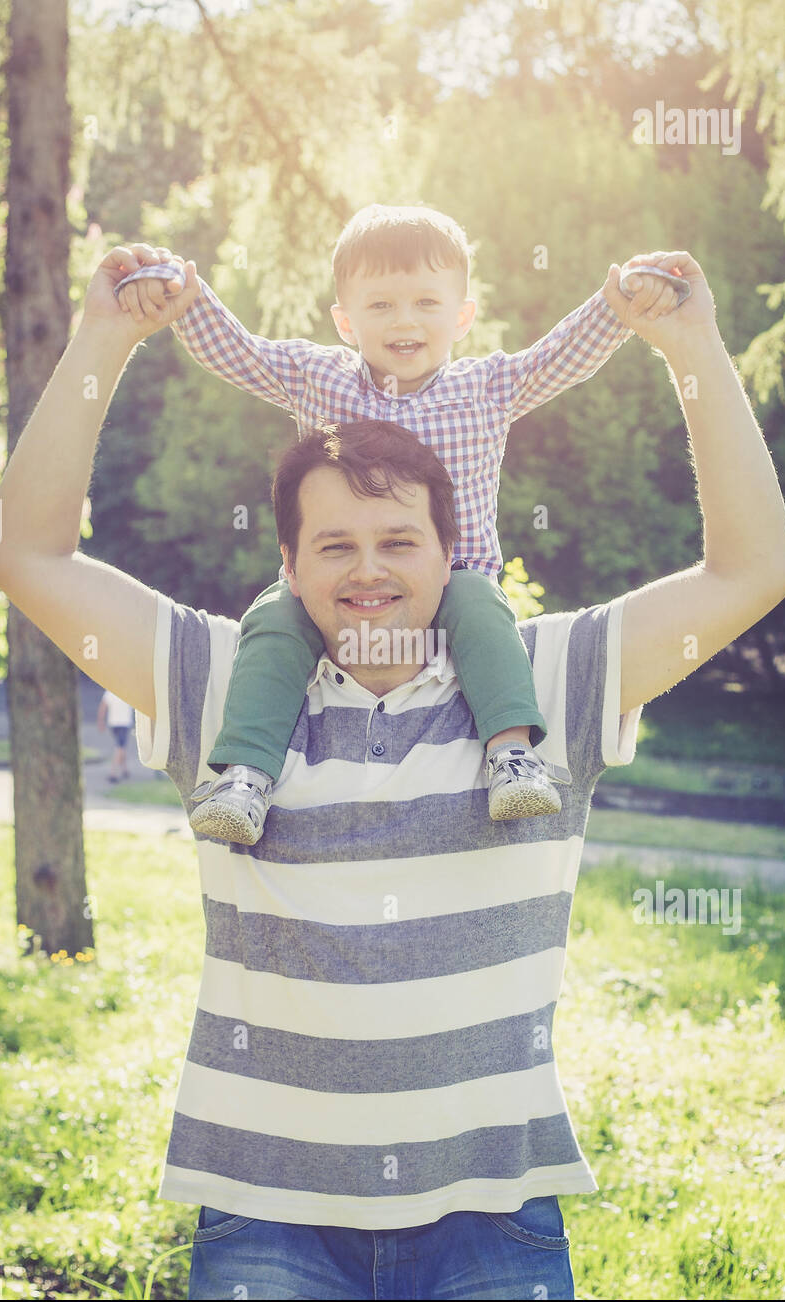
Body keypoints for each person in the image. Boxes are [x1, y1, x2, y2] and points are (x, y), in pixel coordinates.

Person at [0, 242, 785, 1300]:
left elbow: (755, 567)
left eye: (398, 540)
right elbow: (24, 553)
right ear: (287, 565)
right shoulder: (223, 688)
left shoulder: (549, 683)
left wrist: (690, 343)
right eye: (335, 544)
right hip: (268, 1212)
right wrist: (103, 339)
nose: (368, 568)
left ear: (451, 554)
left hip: (492, 1220)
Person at [113, 205, 686, 847]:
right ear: (346, 320)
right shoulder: (317, 376)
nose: (405, 321)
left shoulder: (487, 388)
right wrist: (182, 297)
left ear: (461, 315)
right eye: (380, 305)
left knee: (482, 610)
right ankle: (246, 775)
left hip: (454, 579)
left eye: (425, 302)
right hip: (328, 584)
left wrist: (619, 304)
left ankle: (511, 754)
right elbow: (239, 354)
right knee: (272, 621)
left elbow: (560, 358)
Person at [96, 688, 134, 782]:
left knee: (121, 746)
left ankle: (125, 769)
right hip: (124, 723)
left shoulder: (110, 692)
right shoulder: (128, 692)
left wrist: (101, 721)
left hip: (113, 724)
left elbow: (102, 707)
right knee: (120, 747)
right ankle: (113, 773)